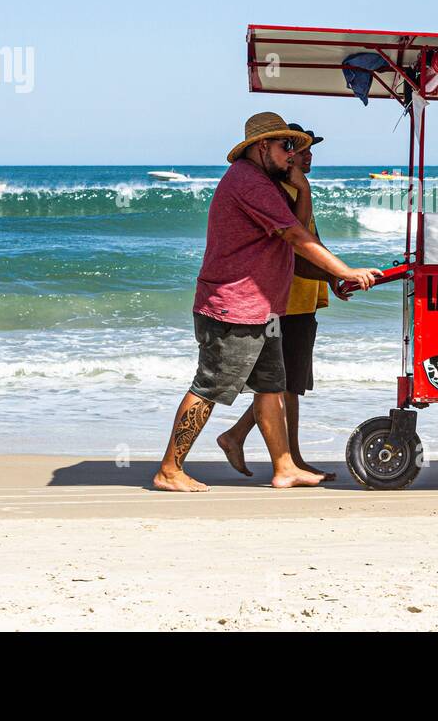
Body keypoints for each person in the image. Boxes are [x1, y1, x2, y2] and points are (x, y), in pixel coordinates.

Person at [152, 112, 380, 492]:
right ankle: (169, 469)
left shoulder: (267, 184)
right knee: (209, 387)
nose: (294, 154)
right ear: (262, 147)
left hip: (265, 309)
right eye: (286, 145)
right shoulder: (248, 182)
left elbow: (295, 235)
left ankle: (284, 467)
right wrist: (345, 271)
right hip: (232, 307)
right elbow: (295, 235)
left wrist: (328, 274)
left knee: (271, 387)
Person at [216, 122, 334, 480]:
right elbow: (293, 245)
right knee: (279, 382)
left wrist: (332, 277)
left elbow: (312, 242)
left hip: (304, 298)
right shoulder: (277, 190)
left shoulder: (294, 187)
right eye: (302, 149)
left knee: (290, 383)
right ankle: (280, 457)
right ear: (285, 153)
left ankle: (283, 456)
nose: (309, 155)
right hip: (283, 301)